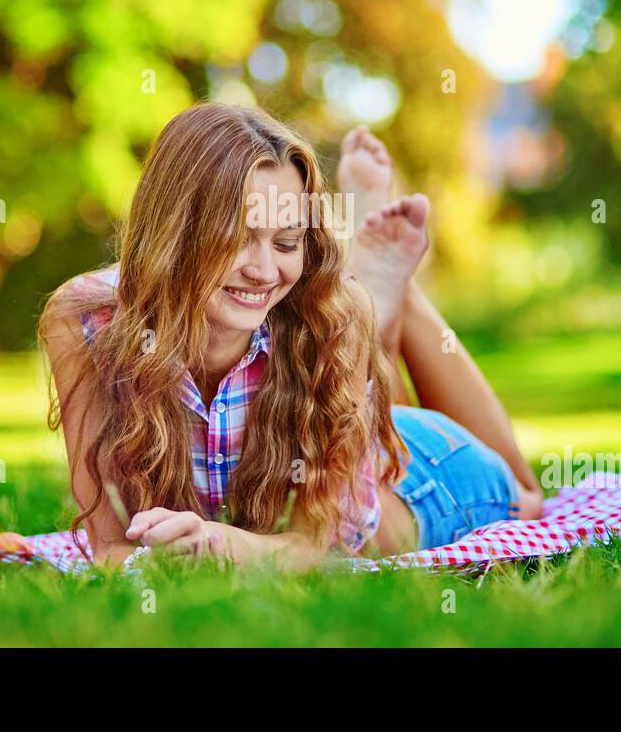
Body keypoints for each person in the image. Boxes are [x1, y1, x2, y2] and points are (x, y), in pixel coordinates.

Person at [39, 103, 542, 569]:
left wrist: (216, 542)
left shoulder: (325, 314)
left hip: (426, 475)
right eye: (236, 239)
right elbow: (109, 545)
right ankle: (377, 297)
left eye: (286, 242)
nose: (262, 270)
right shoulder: (84, 322)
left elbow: (309, 549)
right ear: (176, 230)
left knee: (528, 497)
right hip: (355, 436)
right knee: (360, 351)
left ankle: (393, 295)